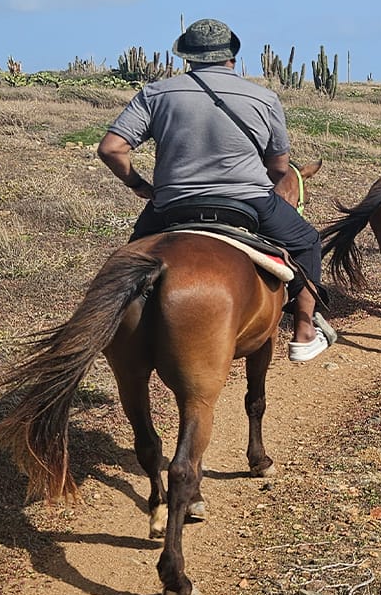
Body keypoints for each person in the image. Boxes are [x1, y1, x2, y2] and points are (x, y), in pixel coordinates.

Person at [95, 18, 337, 362]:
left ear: (187, 57)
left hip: (172, 204)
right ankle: (304, 327)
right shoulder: (263, 98)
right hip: (247, 201)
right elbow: (280, 167)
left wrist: (139, 185)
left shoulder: (155, 93)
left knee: (129, 261)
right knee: (308, 241)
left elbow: (111, 149)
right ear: (232, 58)